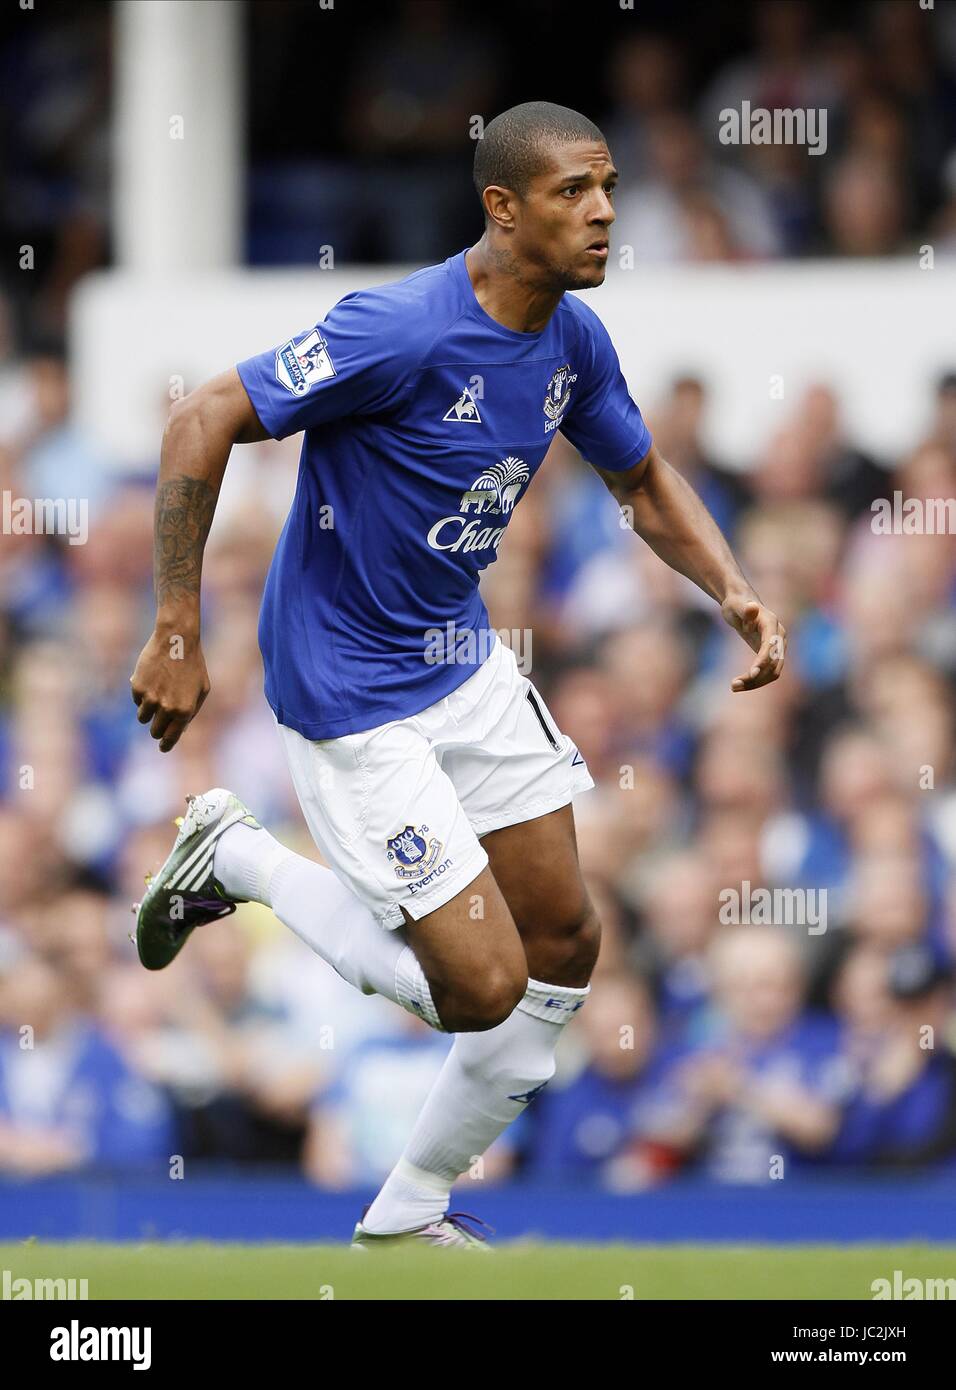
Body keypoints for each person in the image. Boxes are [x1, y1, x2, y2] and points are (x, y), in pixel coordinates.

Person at [129, 101, 786, 1247]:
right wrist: (178, 626)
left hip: (458, 658)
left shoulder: (571, 338)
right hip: (347, 689)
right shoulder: (398, 328)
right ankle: (235, 854)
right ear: (501, 207)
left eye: (608, 186)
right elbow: (201, 416)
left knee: (567, 944)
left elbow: (640, 478)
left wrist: (727, 586)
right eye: (574, 191)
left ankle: (407, 1217)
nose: (603, 213)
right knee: (479, 987)